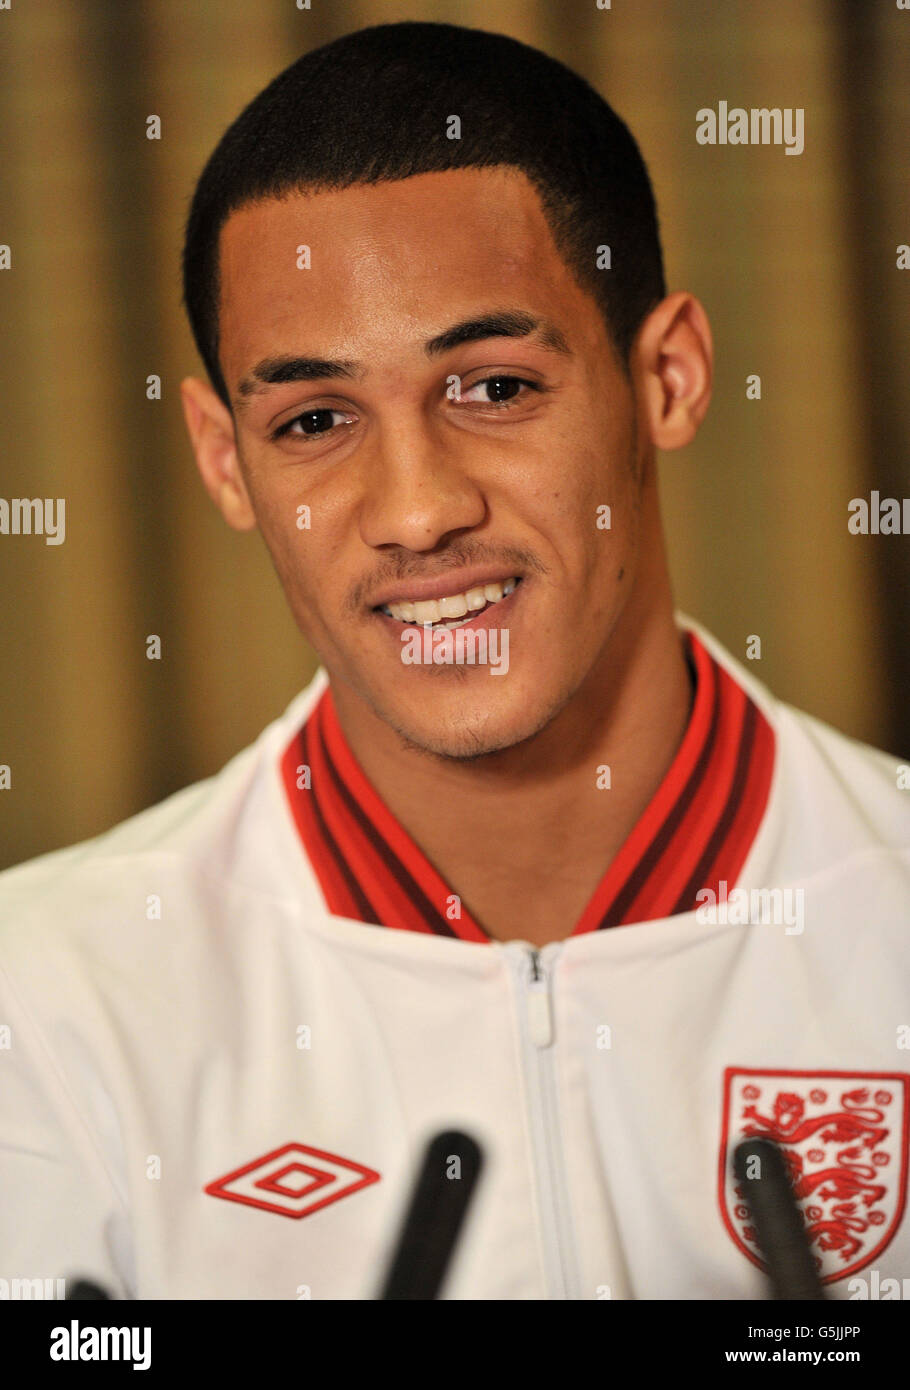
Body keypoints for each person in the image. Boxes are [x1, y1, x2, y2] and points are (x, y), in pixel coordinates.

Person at [1, 21, 907, 1301]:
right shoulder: (40, 1007)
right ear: (224, 460)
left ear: (668, 377)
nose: (416, 510)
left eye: (491, 387)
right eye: (314, 419)